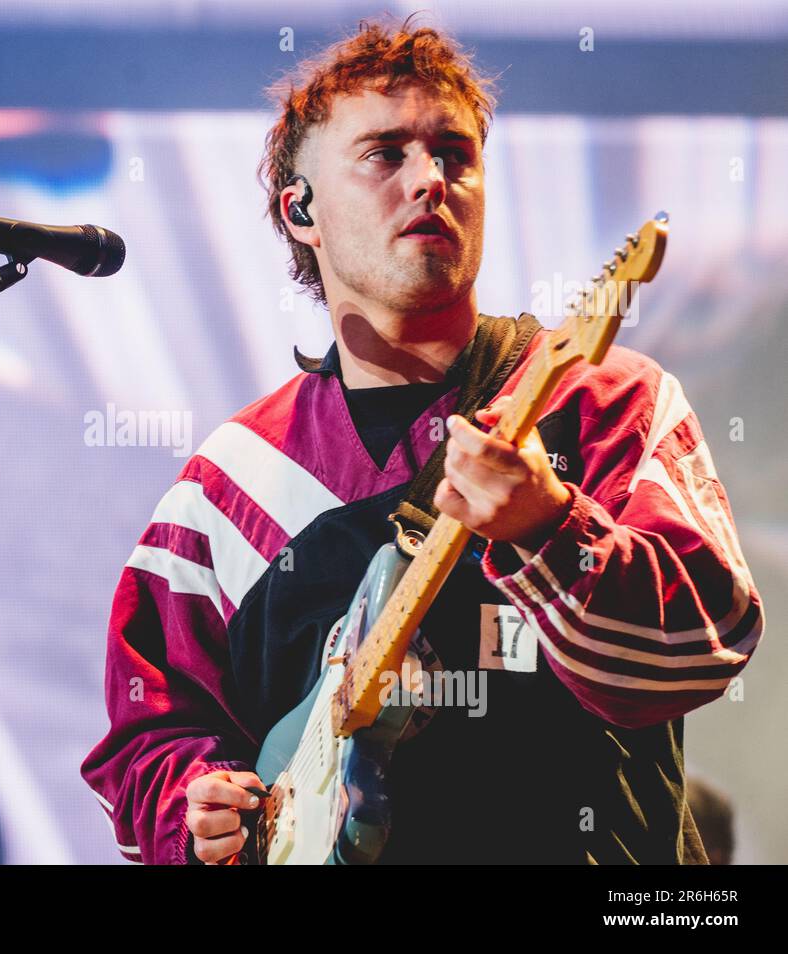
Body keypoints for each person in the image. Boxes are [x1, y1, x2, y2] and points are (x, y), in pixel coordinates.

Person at [80, 17, 763, 864]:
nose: (430, 179)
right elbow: (148, 737)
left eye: (455, 153)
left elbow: (701, 650)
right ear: (302, 211)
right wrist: (200, 800)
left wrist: (548, 528)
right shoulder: (226, 487)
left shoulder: (606, 400)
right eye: (384, 154)